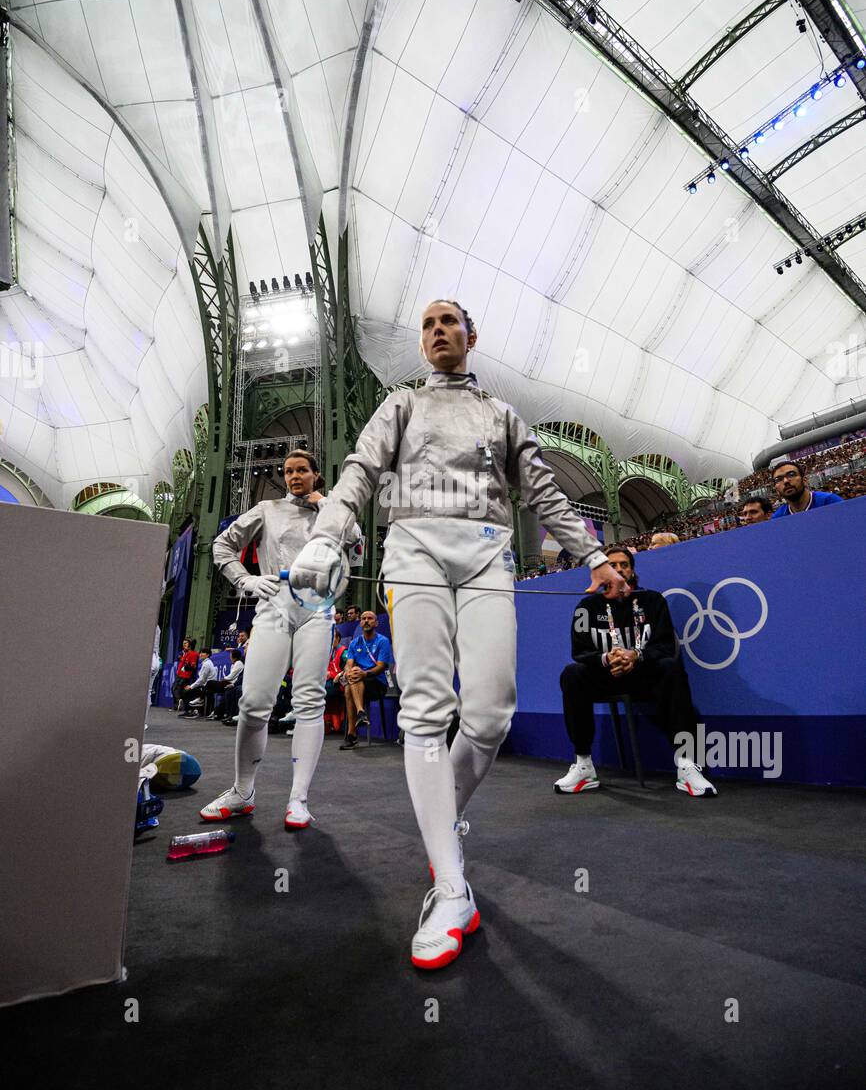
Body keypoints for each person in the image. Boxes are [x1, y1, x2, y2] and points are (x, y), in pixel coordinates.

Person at [290, 298, 627, 970]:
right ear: (423, 342)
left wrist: (593, 557)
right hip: (412, 548)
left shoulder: (502, 415)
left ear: (472, 336)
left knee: (492, 711)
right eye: (428, 324)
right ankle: (450, 885)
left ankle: (438, 825)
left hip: (486, 551)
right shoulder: (401, 406)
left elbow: (545, 493)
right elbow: (358, 470)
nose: (438, 331)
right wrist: (327, 538)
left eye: (449, 322)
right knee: (424, 710)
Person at [202, 450, 359, 830]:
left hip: (317, 612)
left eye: (301, 470)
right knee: (254, 701)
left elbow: (357, 545)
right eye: (288, 471)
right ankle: (242, 792)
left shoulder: (333, 510)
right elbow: (222, 546)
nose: (293, 476)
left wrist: (327, 505)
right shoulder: (267, 509)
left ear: (316, 475)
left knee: (309, 701)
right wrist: (247, 580)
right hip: (273, 607)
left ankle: (298, 800)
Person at [555, 545, 715, 797]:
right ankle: (583, 763)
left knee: (671, 666)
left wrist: (636, 655)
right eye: (613, 565)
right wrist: (608, 658)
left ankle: (686, 764)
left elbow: (663, 645)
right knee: (572, 674)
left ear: (632, 570)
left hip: (645, 674)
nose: (619, 569)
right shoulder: (587, 606)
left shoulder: (653, 600)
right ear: (602, 570)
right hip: (608, 676)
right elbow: (580, 651)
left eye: (624, 565)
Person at [342, 610, 393, 747]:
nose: (366, 620)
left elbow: (381, 667)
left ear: (376, 623)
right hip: (358, 681)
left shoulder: (383, 641)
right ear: (360, 622)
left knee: (353, 682)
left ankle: (352, 734)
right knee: (350, 682)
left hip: (377, 682)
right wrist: (348, 672)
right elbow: (348, 664)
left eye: (370, 618)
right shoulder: (354, 643)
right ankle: (360, 713)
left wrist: (364, 673)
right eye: (363, 618)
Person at [770, 459, 844, 516]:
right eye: (778, 479)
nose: (786, 481)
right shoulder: (778, 517)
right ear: (776, 489)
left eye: (791, 474)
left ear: (804, 480)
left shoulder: (829, 502)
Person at [179, 648, 218, 716]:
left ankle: (189, 711)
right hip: (204, 686)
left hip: (205, 688)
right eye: (200, 653)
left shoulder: (207, 664)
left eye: (203, 653)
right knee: (188, 689)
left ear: (208, 655)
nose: (201, 654)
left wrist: (191, 686)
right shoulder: (206, 663)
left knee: (186, 691)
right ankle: (192, 709)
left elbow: (201, 680)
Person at [209, 649, 245, 722]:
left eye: (231, 656)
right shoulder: (234, 664)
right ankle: (217, 712)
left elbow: (231, 677)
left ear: (234, 657)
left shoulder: (238, 663)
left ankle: (226, 714)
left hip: (233, 684)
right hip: (231, 683)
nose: (230, 658)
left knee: (210, 683)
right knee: (211, 688)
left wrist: (223, 680)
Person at [171, 638, 198, 709]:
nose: (184, 644)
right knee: (175, 689)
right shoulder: (184, 653)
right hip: (179, 674)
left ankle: (179, 703)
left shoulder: (193, 654)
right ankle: (177, 705)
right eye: (183, 643)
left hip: (185, 675)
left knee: (176, 689)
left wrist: (186, 668)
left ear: (190, 645)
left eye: (186, 643)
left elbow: (193, 666)